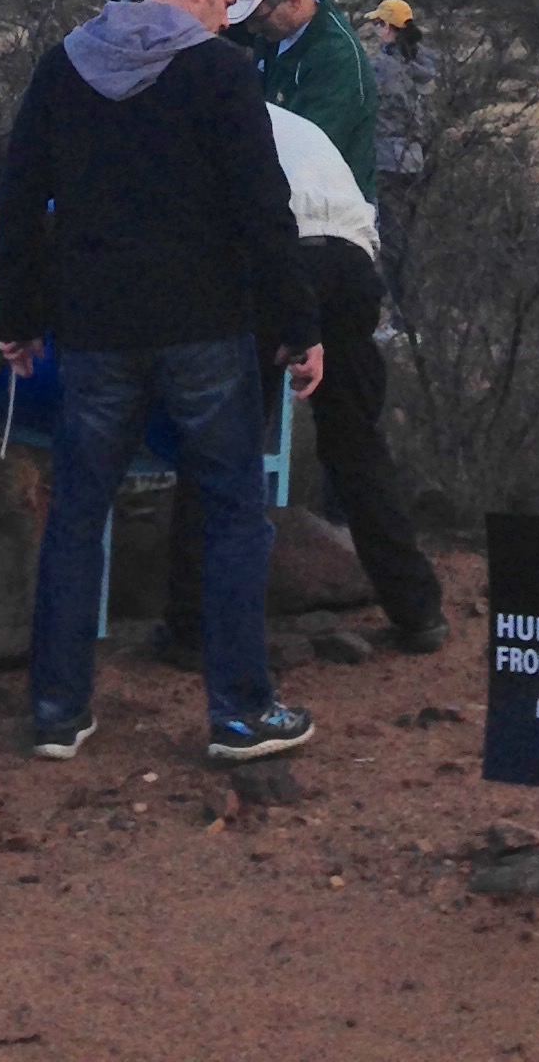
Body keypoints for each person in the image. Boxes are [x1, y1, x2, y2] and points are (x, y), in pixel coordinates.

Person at [0, 0, 324, 766]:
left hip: (97, 328)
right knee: (230, 514)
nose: (228, 14)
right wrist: (296, 326)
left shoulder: (66, 63)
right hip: (205, 329)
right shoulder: (220, 72)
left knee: (76, 515)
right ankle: (241, 713)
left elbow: (22, 195)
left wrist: (18, 317)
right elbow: (263, 206)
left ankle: (58, 710)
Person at [159, 102, 448, 665]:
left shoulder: (191, 115)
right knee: (355, 441)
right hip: (352, 264)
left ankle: (193, 623)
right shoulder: (287, 119)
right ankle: (417, 610)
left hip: (281, 257)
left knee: (223, 439)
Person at [232, 0, 380, 201]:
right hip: (285, 195)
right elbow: (205, 10)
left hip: (331, 211)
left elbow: (307, 148)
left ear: (292, 1)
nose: (252, 30)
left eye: (257, 19)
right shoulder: (275, 29)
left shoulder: (336, 57)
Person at [364, 0, 434, 282]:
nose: (374, 29)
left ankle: (402, 314)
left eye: (378, 23)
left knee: (390, 241)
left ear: (388, 27)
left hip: (387, 159)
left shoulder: (382, 66)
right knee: (410, 238)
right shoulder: (422, 62)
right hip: (415, 158)